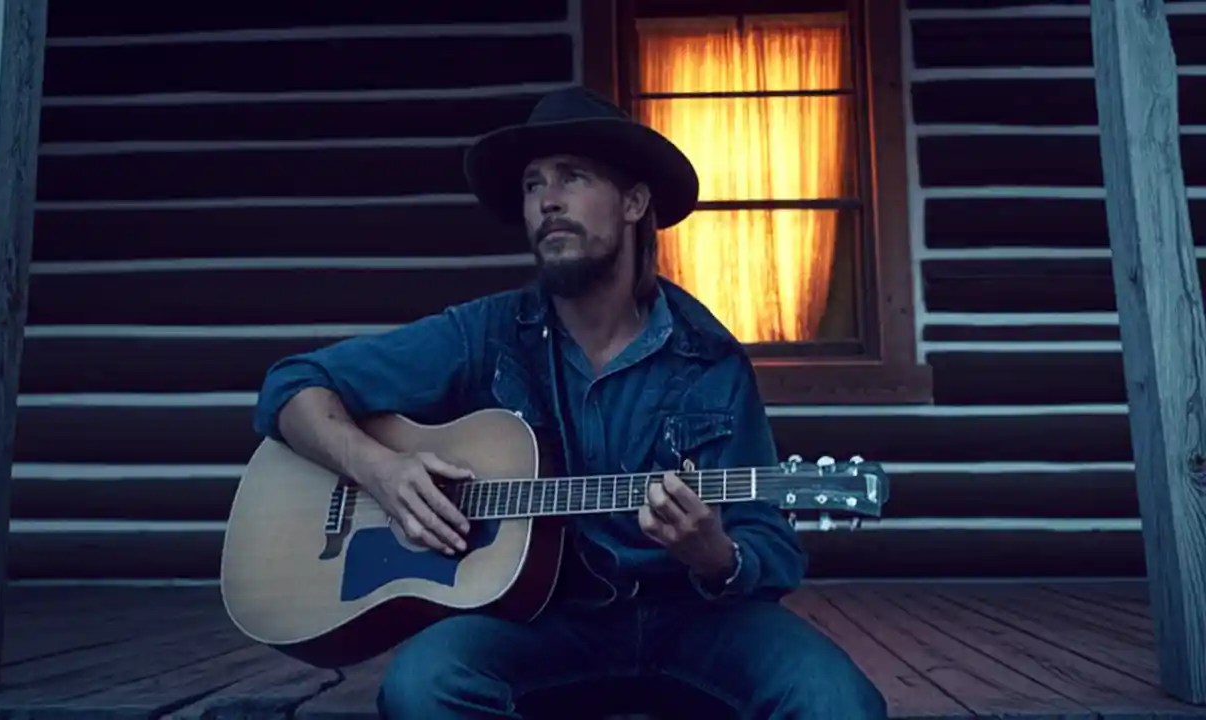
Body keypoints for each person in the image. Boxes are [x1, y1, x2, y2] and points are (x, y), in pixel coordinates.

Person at [251, 86, 887, 720]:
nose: (547, 201)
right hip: (538, 624)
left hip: (697, 623)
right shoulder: (484, 335)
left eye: (573, 178)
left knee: (838, 701)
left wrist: (716, 555)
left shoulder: (709, 360)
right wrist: (381, 472)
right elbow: (294, 385)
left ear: (635, 202)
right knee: (423, 686)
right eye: (533, 185)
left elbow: (768, 542)